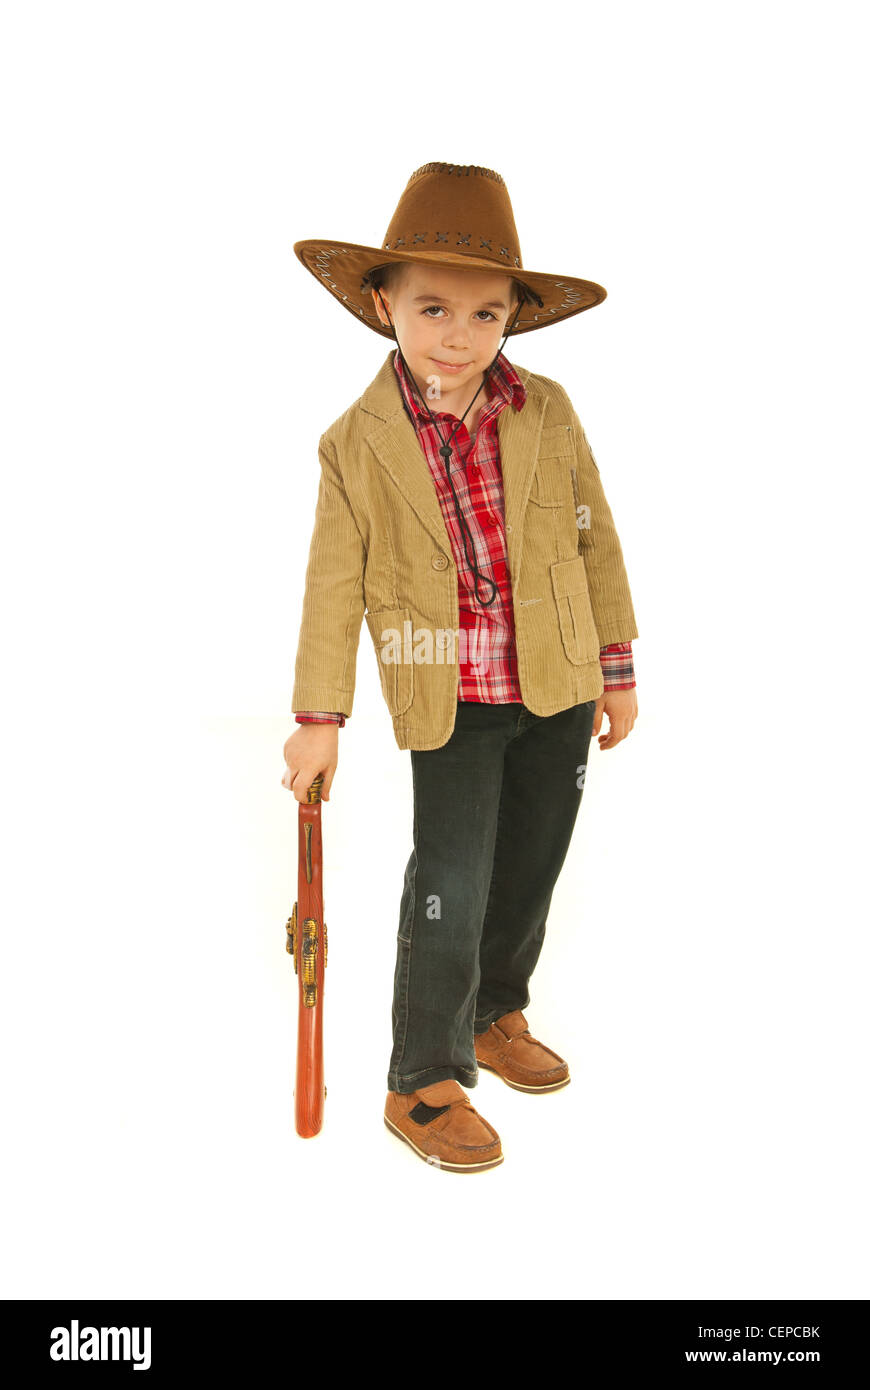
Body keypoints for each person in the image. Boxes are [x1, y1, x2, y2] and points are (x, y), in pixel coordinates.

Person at [282, 162, 639, 1173]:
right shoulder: (356, 445)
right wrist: (321, 716)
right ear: (382, 301)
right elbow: (331, 586)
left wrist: (614, 667)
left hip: (558, 681)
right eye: (432, 306)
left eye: (486, 313)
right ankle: (423, 1073)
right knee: (450, 876)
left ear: (512, 321)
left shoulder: (549, 409)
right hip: (449, 690)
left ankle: (494, 1010)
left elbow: (594, 537)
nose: (458, 333)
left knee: (530, 862)